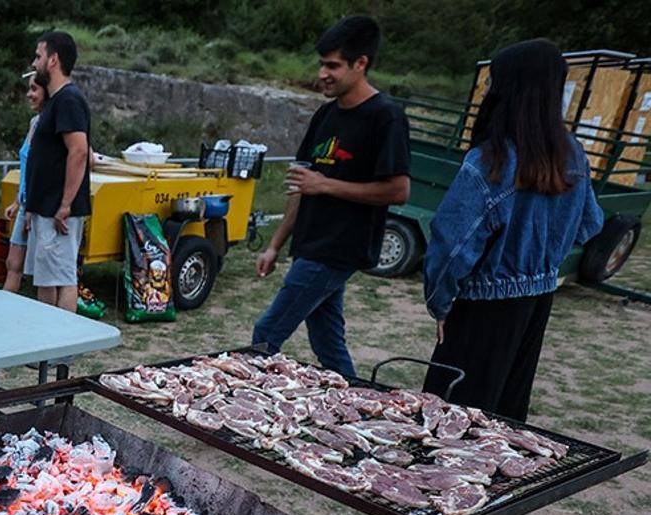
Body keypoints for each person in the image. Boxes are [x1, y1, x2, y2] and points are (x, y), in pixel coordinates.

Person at [422, 39, 603, 421]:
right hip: (536, 303)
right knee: (503, 415)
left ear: (510, 89)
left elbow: (451, 246)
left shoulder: (490, 161)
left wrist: (440, 303)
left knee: (450, 417)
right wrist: (541, 253)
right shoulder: (573, 155)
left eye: (492, 81)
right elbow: (590, 225)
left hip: (482, 308)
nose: (486, 89)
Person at [252, 16, 410, 378]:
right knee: (327, 341)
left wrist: (325, 185)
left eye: (333, 65)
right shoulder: (325, 114)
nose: (322, 73)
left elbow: (399, 190)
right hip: (310, 244)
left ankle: (242, 417)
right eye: (322, 63)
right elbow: (301, 183)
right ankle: (359, 409)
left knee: (265, 336)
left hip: (339, 248)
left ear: (361, 64)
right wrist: (275, 244)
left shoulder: (385, 117)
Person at [23, 31, 91, 313]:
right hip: (45, 208)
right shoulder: (54, 101)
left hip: (58, 212)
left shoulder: (68, 100)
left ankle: (61, 354)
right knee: (47, 280)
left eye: (38, 56)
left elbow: (79, 151)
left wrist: (64, 205)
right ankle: (47, 347)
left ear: (53, 60)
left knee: (62, 278)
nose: (34, 62)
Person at [2, 72, 49, 293]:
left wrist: (31, 206)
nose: (29, 95)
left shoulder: (49, 123)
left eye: (34, 89)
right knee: (13, 261)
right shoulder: (34, 122)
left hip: (38, 206)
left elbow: (43, 170)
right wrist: (17, 202)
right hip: (26, 204)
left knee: (41, 270)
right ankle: (4, 308)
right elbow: (27, 167)